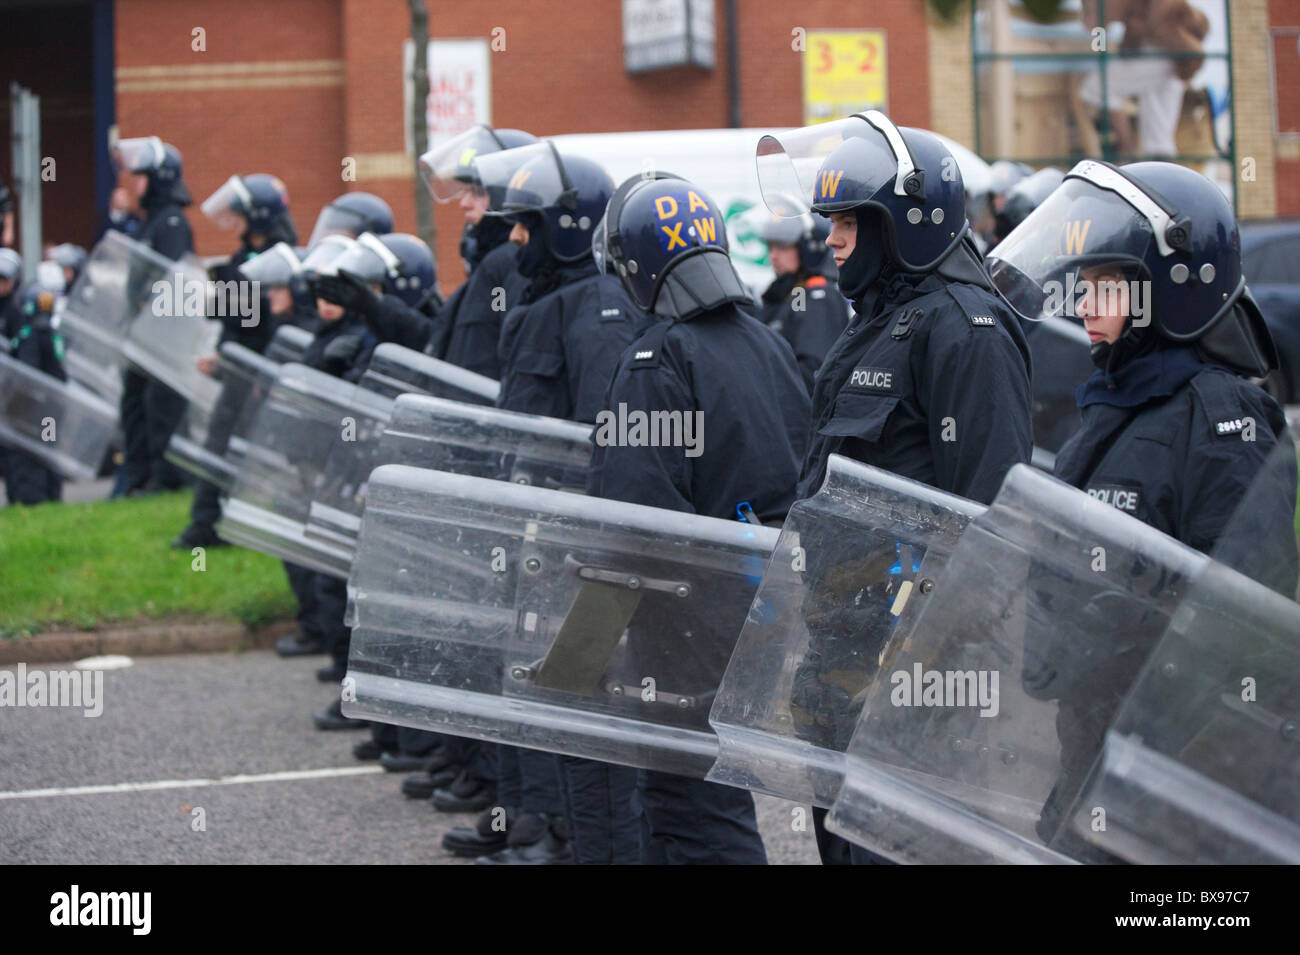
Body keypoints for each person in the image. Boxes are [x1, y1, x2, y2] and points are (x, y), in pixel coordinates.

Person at [988, 160, 1299, 851]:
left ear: (1172, 289)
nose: (1086, 306)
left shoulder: (1221, 418)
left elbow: (1246, 619)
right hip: (1095, 746)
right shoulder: (1115, 405)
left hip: (1172, 771)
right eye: (1084, 285)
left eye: (1107, 287)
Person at [757, 110, 1034, 864]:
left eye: (850, 220)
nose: (832, 238)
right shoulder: (881, 320)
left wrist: (921, 666)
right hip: (843, 645)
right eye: (831, 221)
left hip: (911, 671)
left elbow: (990, 525)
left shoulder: (967, 328)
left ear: (906, 222)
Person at [589, 172, 811, 864]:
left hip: (680, 624)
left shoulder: (656, 359)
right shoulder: (767, 343)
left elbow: (637, 521)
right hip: (760, 606)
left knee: (691, 809)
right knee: (699, 797)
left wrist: (587, 639)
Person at [454, 141, 654, 864]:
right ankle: (538, 822)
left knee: (575, 692)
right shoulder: (550, 300)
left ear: (566, 228)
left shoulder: (597, 307)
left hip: (572, 542)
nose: (513, 237)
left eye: (526, 224)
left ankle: (564, 834)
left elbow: (605, 433)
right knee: (535, 677)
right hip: (535, 529)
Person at [172, 174, 299, 550]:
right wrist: (222, 355)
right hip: (239, 372)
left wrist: (266, 372)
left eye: (241, 215)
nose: (234, 221)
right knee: (220, 444)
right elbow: (234, 322)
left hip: (264, 375)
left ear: (258, 217)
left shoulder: (285, 263)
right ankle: (207, 523)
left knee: (268, 453)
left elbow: (280, 327)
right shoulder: (242, 260)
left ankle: (266, 526)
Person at [418, 125, 537, 377]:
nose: (464, 203)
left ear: (510, 194)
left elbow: (505, 345)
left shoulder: (511, 262)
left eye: (478, 192)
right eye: (464, 190)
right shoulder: (487, 262)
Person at [113, 136, 195, 495]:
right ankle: (139, 476)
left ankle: (166, 478)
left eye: (143, 177)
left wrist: (151, 306)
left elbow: (174, 279)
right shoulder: (152, 221)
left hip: (164, 336)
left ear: (160, 179)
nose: (137, 185)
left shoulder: (172, 222)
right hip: (143, 334)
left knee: (160, 405)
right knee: (134, 403)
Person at [1078, 0, 1209, 158]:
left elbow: (1096, 22)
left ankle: (1128, 149)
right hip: (1173, 52)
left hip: (1164, 49)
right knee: (1158, 131)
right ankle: (1149, 160)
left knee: (1097, 87)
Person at [756, 195, 850, 392]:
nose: (773, 256)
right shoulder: (791, 293)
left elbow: (812, 374)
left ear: (807, 247)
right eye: (771, 247)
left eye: (782, 247)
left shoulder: (816, 296)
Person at [3, 259, 68, 505]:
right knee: (47, 448)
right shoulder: (48, 334)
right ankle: (49, 497)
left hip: (37, 408)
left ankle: (37, 498)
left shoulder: (31, 335)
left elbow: (28, 373)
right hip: (50, 406)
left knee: (35, 451)